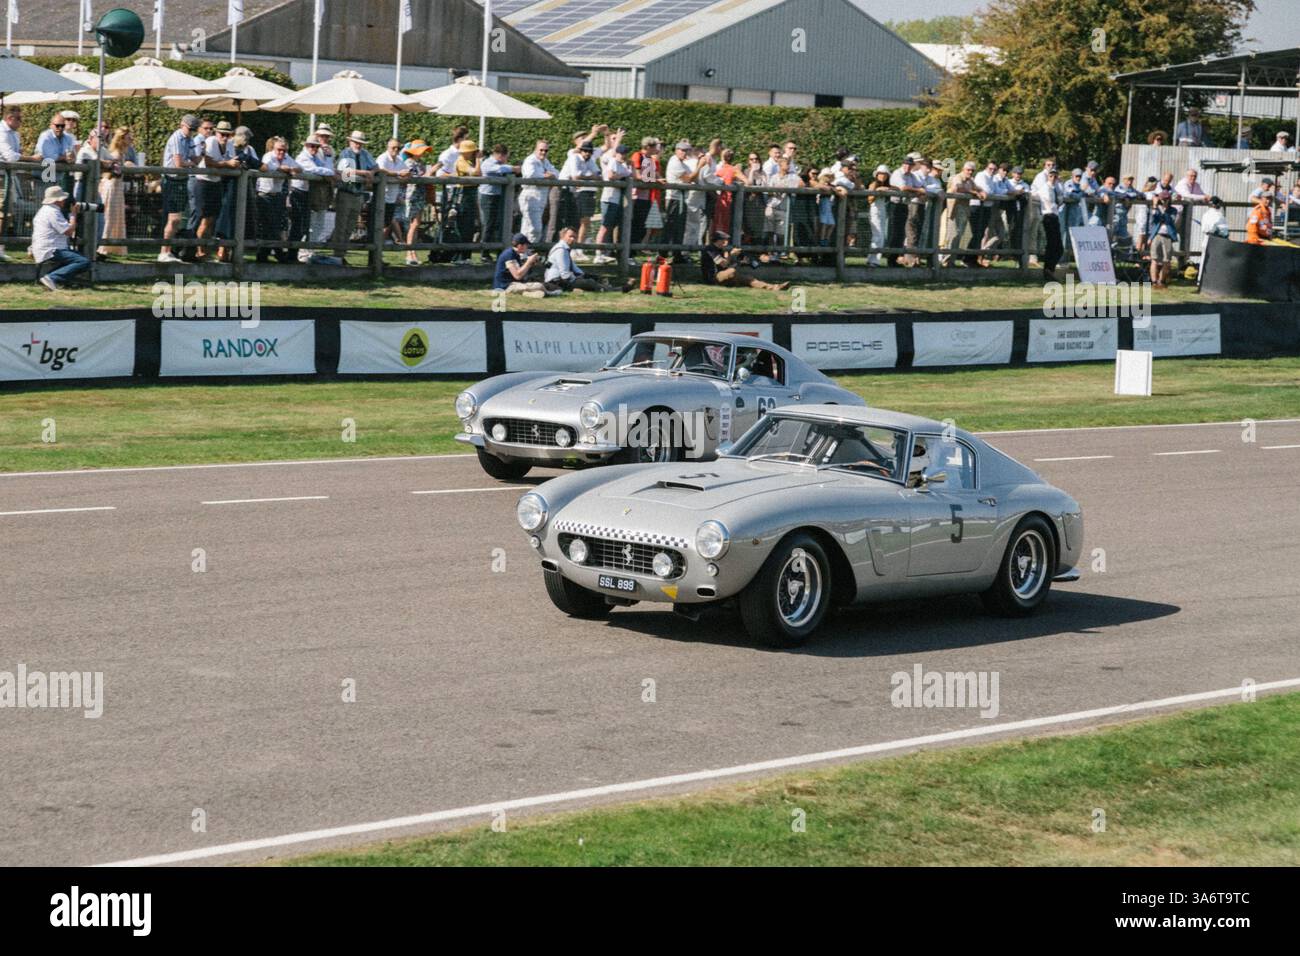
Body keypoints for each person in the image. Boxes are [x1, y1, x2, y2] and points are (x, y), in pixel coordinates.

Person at [156, 114, 198, 263]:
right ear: (182, 125)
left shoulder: (190, 139)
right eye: (190, 129)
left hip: (182, 181)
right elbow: (179, 163)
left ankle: (169, 251)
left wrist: (201, 153)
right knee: (174, 219)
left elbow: (195, 159)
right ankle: (164, 252)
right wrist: (191, 163)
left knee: (177, 219)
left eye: (193, 130)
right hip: (171, 181)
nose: (191, 132)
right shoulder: (176, 138)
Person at [32, 186, 90, 290]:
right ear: (58, 200)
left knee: (76, 258)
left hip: (45, 247)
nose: (64, 201)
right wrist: (73, 215)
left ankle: (50, 279)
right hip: (51, 249)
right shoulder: (53, 212)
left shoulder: (44, 210)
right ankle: (52, 277)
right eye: (63, 199)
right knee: (83, 262)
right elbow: (69, 232)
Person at [196, 120, 239, 262]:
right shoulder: (210, 142)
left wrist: (230, 164)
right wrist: (227, 164)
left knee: (212, 219)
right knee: (204, 219)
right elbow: (209, 162)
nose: (225, 137)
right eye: (222, 134)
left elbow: (233, 162)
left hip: (216, 182)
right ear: (216, 133)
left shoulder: (230, 144)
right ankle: (199, 250)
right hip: (203, 182)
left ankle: (206, 251)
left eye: (227, 135)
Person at [332, 131, 376, 263]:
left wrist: (371, 173)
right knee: (341, 226)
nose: (358, 145)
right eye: (356, 142)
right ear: (350, 142)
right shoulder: (345, 153)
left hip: (358, 194)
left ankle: (342, 255)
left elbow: (376, 167)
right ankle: (337, 255)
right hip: (346, 193)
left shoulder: (365, 154)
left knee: (350, 226)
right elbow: (345, 173)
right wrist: (365, 173)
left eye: (360, 143)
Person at [256, 137, 299, 263]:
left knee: (273, 226)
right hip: (265, 195)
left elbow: (299, 168)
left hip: (278, 195)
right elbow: (269, 167)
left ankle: (263, 255)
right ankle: (278, 253)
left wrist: (291, 169)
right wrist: (284, 168)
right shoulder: (268, 156)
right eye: (279, 149)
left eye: (284, 150)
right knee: (270, 225)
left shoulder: (287, 158)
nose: (281, 152)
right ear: (274, 148)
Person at [700, 231, 788, 291]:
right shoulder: (710, 249)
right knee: (732, 271)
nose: (726, 241)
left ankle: (774, 287)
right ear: (717, 240)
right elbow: (723, 264)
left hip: (723, 274)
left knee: (749, 278)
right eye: (723, 239)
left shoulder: (721, 249)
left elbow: (727, 264)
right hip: (713, 278)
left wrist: (741, 262)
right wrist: (731, 255)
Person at [559, 139, 601, 258]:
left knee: (579, 221)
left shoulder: (590, 160)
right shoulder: (574, 158)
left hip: (575, 192)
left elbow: (598, 174)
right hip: (564, 190)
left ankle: (576, 249)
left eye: (589, 151)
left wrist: (590, 176)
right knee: (568, 221)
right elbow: (575, 176)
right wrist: (591, 177)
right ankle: (567, 248)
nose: (587, 153)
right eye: (585, 151)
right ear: (581, 151)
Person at [97, 127, 134, 259]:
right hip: (112, 186)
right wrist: (124, 168)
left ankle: (114, 247)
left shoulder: (122, 154)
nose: (131, 139)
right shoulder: (116, 154)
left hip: (117, 187)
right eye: (129, 137)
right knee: (109, 216)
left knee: (116, 217)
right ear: (122, 139)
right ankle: (103, 246)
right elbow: (112, 173)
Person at [593, 142, 631, 264]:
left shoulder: (622, 165)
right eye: (622, 153)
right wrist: (621, 176)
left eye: (625, 153)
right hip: (608, 199)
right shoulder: (613, 161)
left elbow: (630, 175)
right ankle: (598, 254)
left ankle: (604, 253)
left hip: (616, 200)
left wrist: (628, 169)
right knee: (604, 227)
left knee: (610, 227)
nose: (624, 155)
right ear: (617, 153)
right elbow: (610, 176)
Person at [398, 139, 432, 266]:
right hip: (411, 196)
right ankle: (409, 253)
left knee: (416, 225)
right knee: (412, 225)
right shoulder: (409, 163)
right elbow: (414, 178)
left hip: (420, 196)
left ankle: (413, 252)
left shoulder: (420, 163)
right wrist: (430, 172)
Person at [545, 226, 609, 292]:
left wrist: (585, 275)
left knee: (594, 278)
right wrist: (578, 279)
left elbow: (576, 269)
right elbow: (565, 274)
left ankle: (603, 287)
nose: (573, 239)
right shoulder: (561, 250)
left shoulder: (565, 248)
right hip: (556, 281)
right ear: (562, 236)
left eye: (575, 237)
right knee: (589, 282)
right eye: (570, 236)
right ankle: (605, 289)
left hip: (562, 279)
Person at [518, 139, 557, 244]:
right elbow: (530, 174)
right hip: (531, 194)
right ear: (536, 149)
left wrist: (551, 175)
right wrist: (545, 175)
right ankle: (530, 249)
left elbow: (556, 173)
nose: (543, 152)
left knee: (526, 228)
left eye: (546, 150)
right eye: (541, 150)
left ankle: (522, 251)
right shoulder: (530, 160)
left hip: (542, 196)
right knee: (535, 229)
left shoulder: (546, 162)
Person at [478, 143, 513, 255]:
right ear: (501, 155)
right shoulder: (488, 163)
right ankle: (484, 252)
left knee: (497, 223)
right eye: (506, 156)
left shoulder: (500, 164)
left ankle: (497, 250)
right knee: (488, 224)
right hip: (487, 197)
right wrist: (512, 168)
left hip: (497, 196)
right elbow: (498, 169)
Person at [1032, 167, 1065, 279]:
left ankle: (1050, 270)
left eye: (1055, 176)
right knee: (1053, 246)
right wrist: (1059, 201)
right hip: (1048, 217)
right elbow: (1051, 203)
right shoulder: (1045, 188)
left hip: (1054, 217)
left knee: (1058, 248)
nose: (1053, 178)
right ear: (1047, 177)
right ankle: (1048, 271)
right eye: (1051, 176)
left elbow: (1060, 199)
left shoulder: (1055, 187)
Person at [375, 137, 407, 245]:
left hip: (392, 198)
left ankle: (379, 250)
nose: (396, 150)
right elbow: (381, 170)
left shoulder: (399, 160)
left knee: (386, 225)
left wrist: (405, 175)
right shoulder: (382, 158)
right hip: (381, 197)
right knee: (378, 226)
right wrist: (398, 174)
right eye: (393, 147)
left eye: (398, 148)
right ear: (388, 147)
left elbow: (406, 171)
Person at [1147, 193, 1179, 288]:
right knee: (1154, 259)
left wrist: (1163, 211)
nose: (1164, 201)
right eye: (1162, 199)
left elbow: (1169, 220)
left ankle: (1162, 281)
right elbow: (1154, 218)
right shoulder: (1156, 208)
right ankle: (1154, 282)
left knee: (1166, 260)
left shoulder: (1173, 210)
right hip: (1157, 235)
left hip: (1167, 236)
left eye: (1166, 199)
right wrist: (1155, 205)